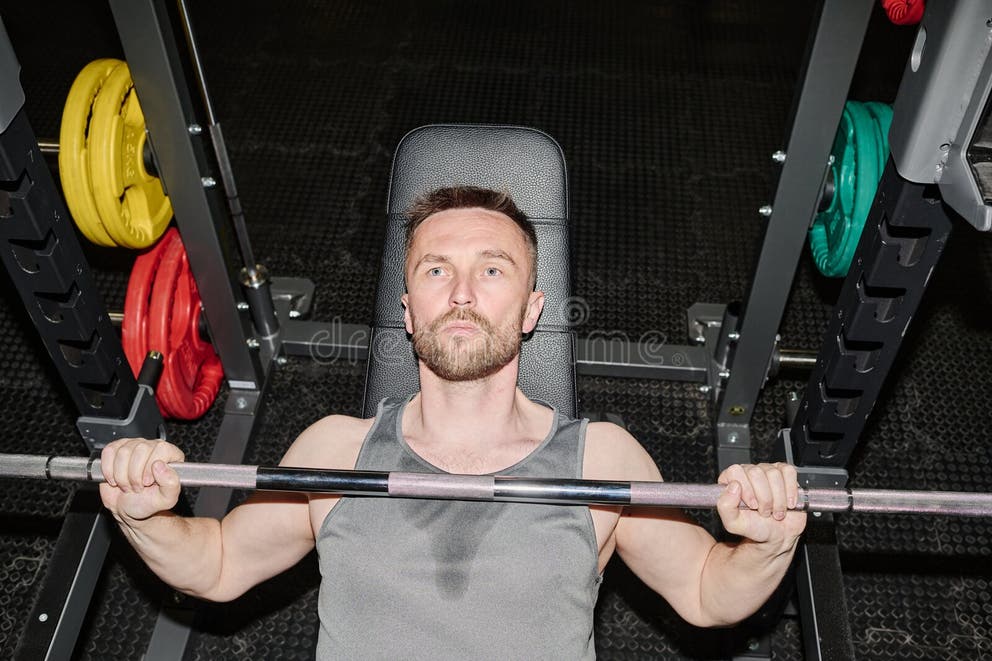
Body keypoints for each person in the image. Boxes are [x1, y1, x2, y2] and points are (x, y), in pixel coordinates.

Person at [99, 186, 807, 659]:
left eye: (492, 271)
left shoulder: (602, 463)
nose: (463, 293)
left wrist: (770, 542)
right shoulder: (337, 450)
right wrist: (144, 516)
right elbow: (218, 565)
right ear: (407, 309)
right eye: (436, 270)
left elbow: (709, 591)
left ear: (531, 310)